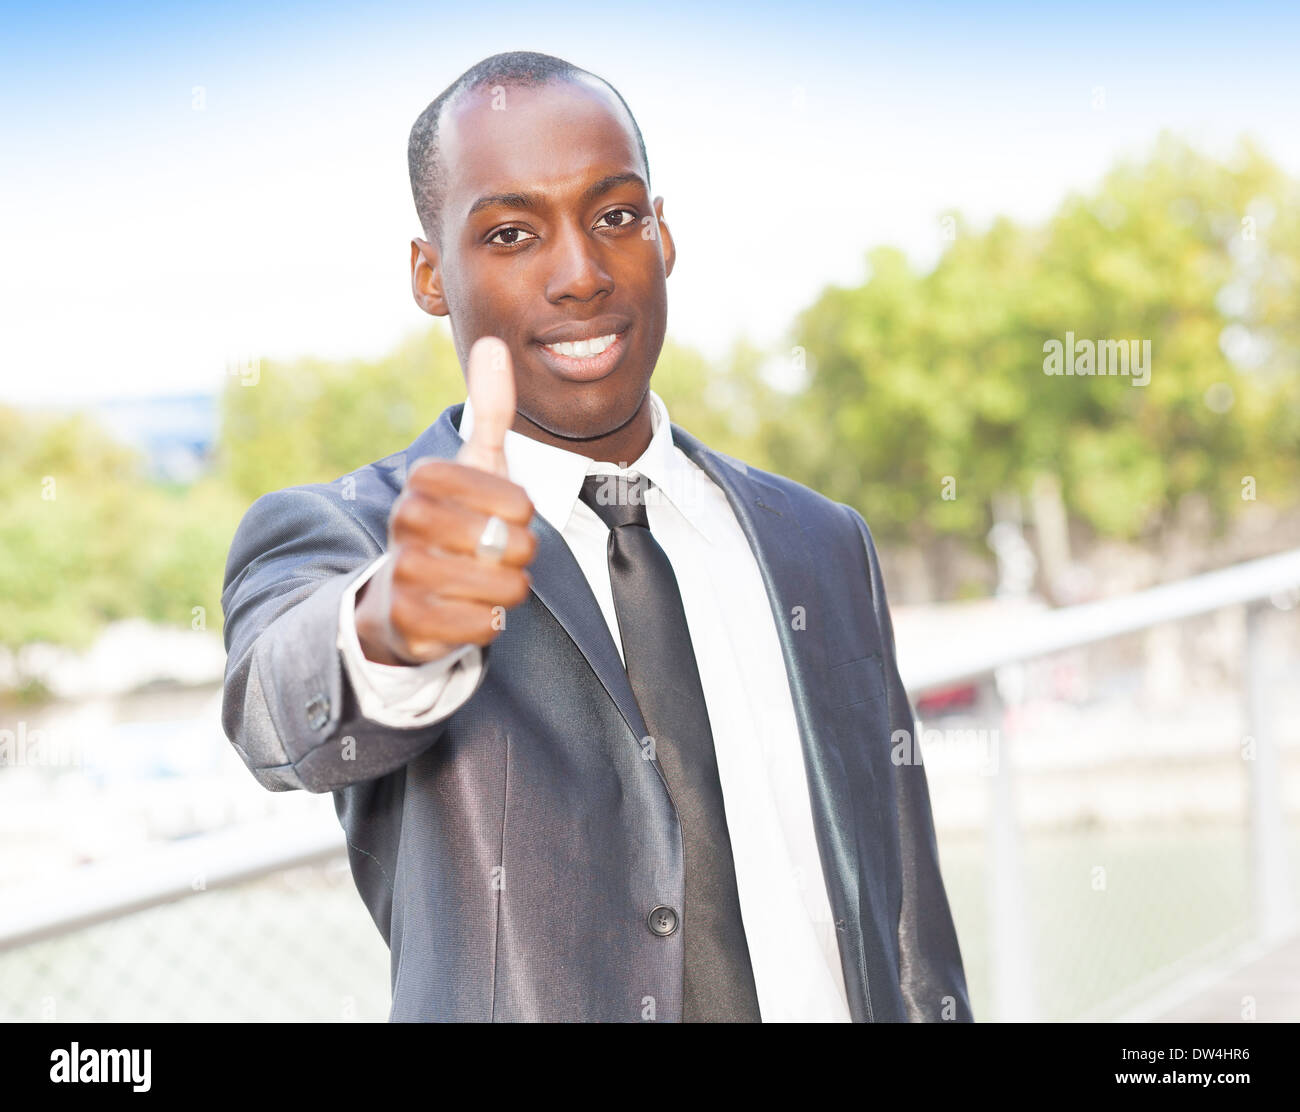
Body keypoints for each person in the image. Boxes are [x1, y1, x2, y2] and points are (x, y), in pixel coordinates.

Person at [220, 51, 972, 1023]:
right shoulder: (351, 536)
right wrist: (390, 624)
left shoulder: (821, 544)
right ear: (429, 273)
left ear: (662, 233)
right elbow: (278, 712)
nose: (579, 273)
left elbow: (908, 916)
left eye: (615, 217)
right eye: (510, 233)